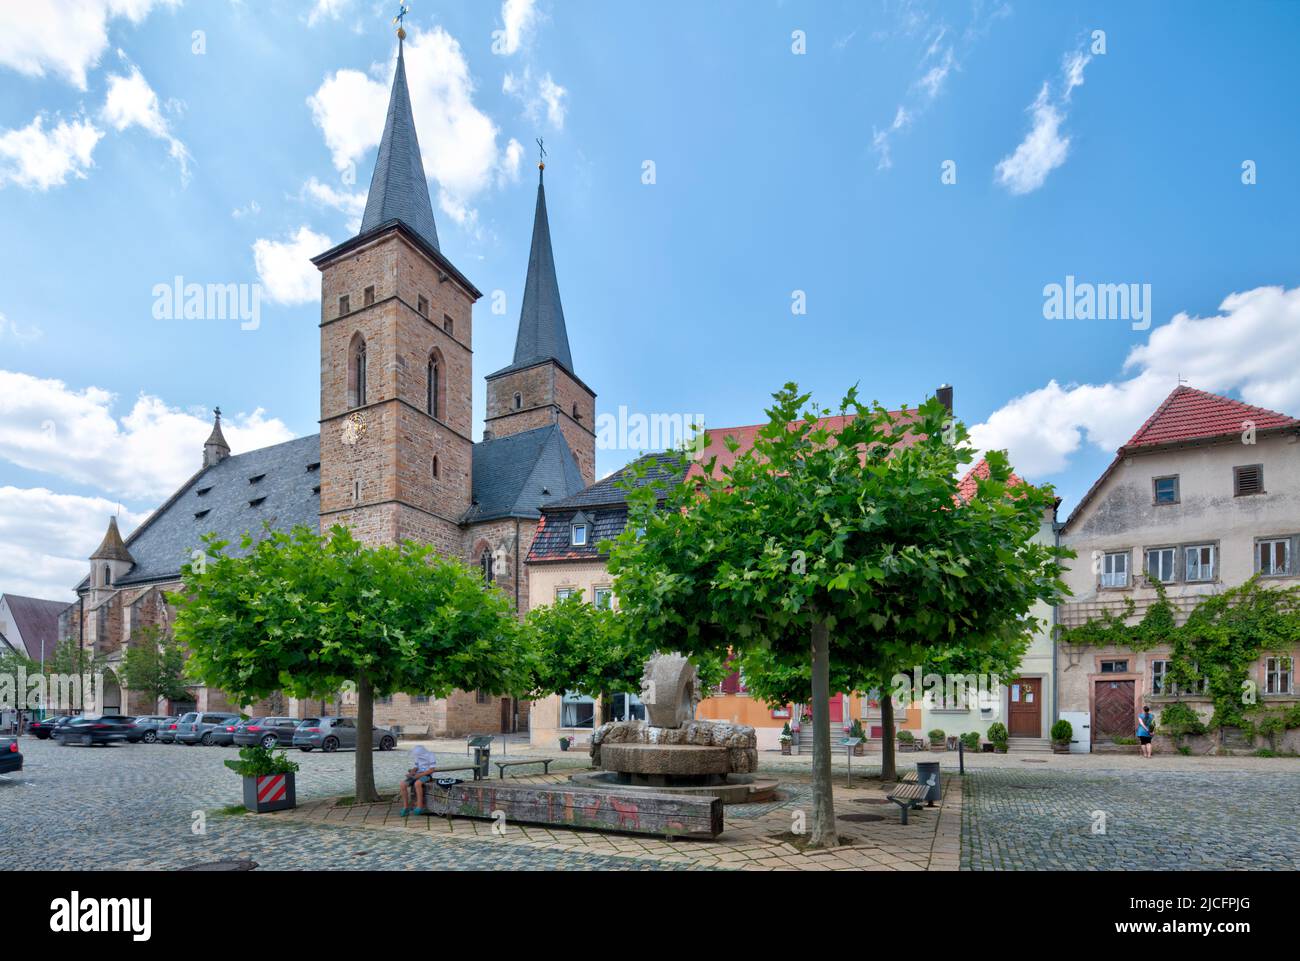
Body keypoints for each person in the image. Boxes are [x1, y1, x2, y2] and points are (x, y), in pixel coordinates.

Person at [399, 745, 439, 816]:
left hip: (427, 775)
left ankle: (419, 806)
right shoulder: (417, 756)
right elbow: (416, 767)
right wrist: (412, 772)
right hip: (417, 774)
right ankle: (406, 807)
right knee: (402, 784)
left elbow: (431, 770)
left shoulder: (431, 755)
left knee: (417, 783)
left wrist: (419, 775)